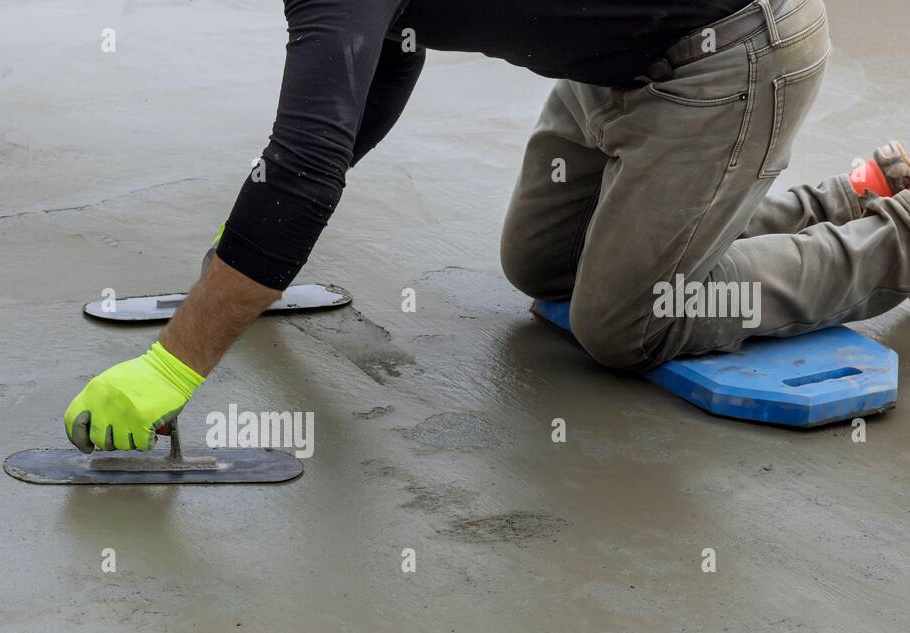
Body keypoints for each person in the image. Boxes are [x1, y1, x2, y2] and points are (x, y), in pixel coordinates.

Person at [64, 0, 910, 453]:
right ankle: (855, 190)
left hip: (733, 54)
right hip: (619, 68)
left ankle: (897, 235)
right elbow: (389, 56)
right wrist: (255, 232)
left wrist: (172, 368)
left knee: (624, 321)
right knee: (543, 265)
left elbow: (306, 158)